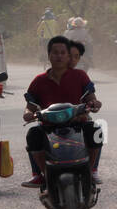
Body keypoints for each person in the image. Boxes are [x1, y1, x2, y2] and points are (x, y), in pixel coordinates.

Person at [21, 36, 103, 190]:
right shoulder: (39, 81)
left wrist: (94, 104)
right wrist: (28, 114)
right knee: (33, 134)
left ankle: (90, 170)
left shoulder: (80, 76)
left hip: (77, 123)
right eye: (55, 53)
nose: (59, 56)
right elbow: (30, 106)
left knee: (96, 130)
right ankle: (42, 175)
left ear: (68, 56)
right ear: (49, 55)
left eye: (62, 53)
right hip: (48, 126)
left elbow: (92, 99)